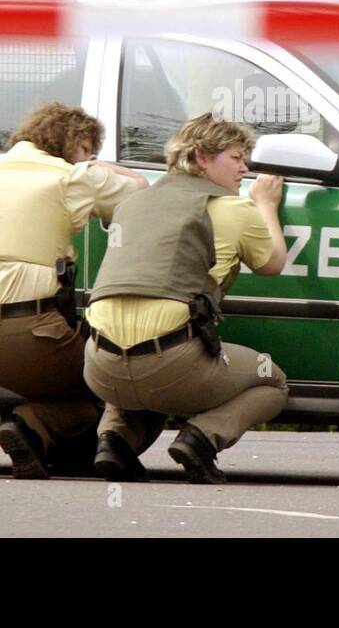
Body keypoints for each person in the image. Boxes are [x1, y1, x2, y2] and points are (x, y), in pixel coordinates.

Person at [0, 102, 148, 478]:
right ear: (80, 143)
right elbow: (139, 189)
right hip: (35, 339)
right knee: (101, 381)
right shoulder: (74, 177)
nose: (90, 158)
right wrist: (99, 167)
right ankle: (29, 425)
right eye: (91, 150)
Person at [83, 115, 289, 484]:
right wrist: (267, 204)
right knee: (271, 381)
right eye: (236, 157)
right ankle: (201, 437)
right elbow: (273, 263)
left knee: (134, 354)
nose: (244, 167)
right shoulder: (235, 209)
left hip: (100, 365)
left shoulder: (135, 202)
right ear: (201, 158)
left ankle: (113, 442)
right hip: (169, 365)